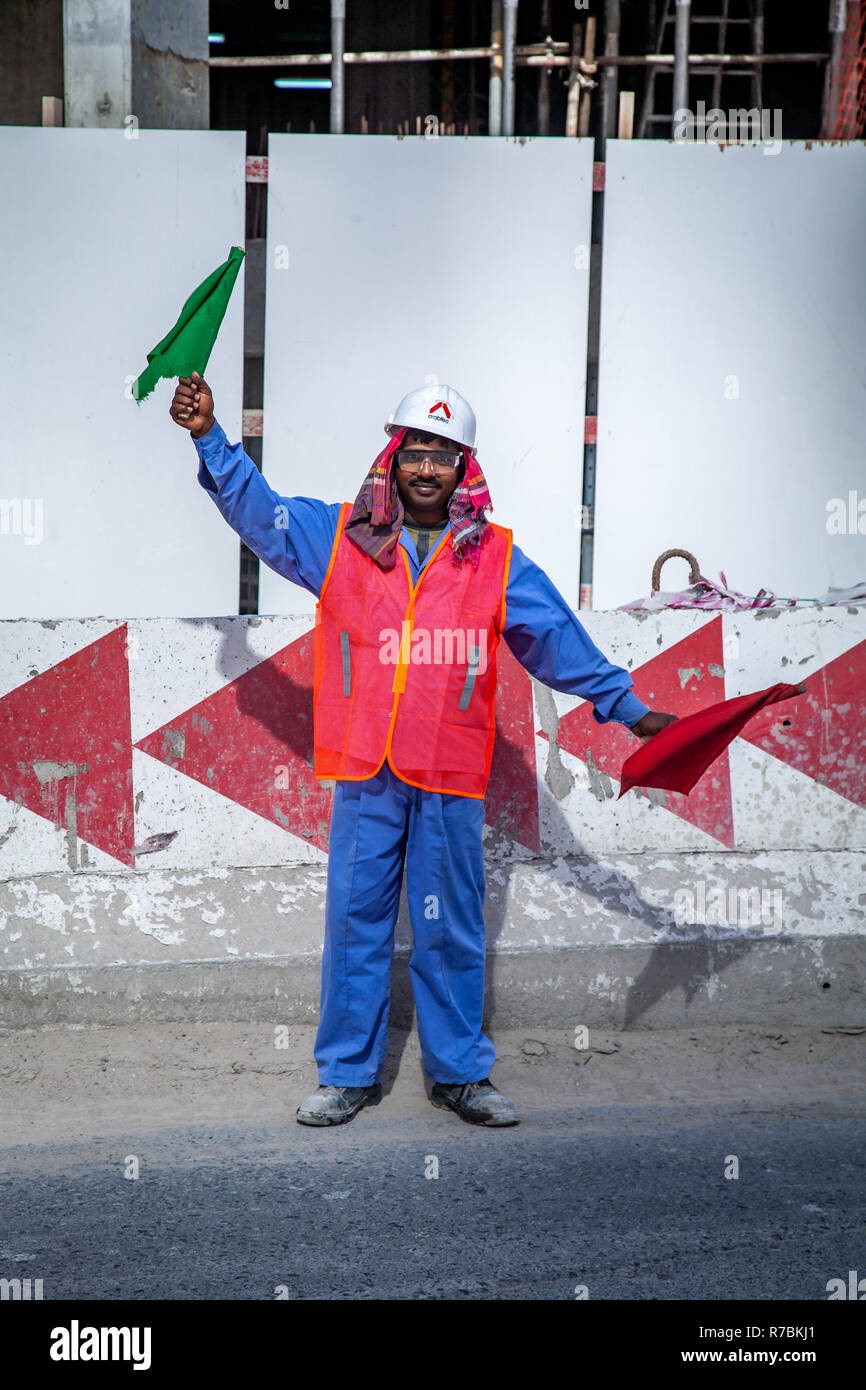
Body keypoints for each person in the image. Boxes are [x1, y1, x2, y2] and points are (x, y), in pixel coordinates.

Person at [170, 374, 676, 1129]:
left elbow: (558, 642)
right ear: (393, 459)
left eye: (445, 455)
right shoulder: (342, 538)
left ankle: (460, 1074)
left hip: (448, 770)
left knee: (449, 926)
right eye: (416, 452)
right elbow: (261, 514)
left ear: (465, 469)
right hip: (364, 769)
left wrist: (629, 709)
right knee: (356, 920)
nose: (428, 469)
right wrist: (210, 435)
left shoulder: (493, 557)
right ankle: (346, 1074)